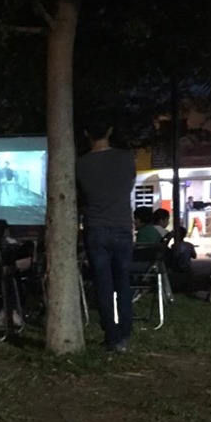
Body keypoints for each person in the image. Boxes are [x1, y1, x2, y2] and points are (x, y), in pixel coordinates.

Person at [76, 116, 136, 352]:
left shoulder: (80, 164)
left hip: (95, 227)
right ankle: (125, 331)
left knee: (102, 283)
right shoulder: (125, 158)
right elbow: (129, 185)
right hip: (122, 225)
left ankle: (111, 335)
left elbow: (80, 196)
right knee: (123, 281)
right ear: (110, 130)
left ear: (86, 134)